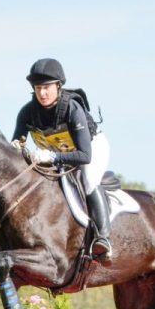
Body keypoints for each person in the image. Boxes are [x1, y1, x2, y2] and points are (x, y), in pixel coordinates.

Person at [11, 58, 113, 265]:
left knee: (89, 182)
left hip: (91, 149)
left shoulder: (72, 109)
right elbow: (17, 143)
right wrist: (16, 149)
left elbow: (85, 156)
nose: (42, 93)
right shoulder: (27, 113)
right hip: (56, 155)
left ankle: (103, 238)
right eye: (38, 88)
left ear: (58, 86)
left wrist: (52, 156)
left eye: (47, 87)